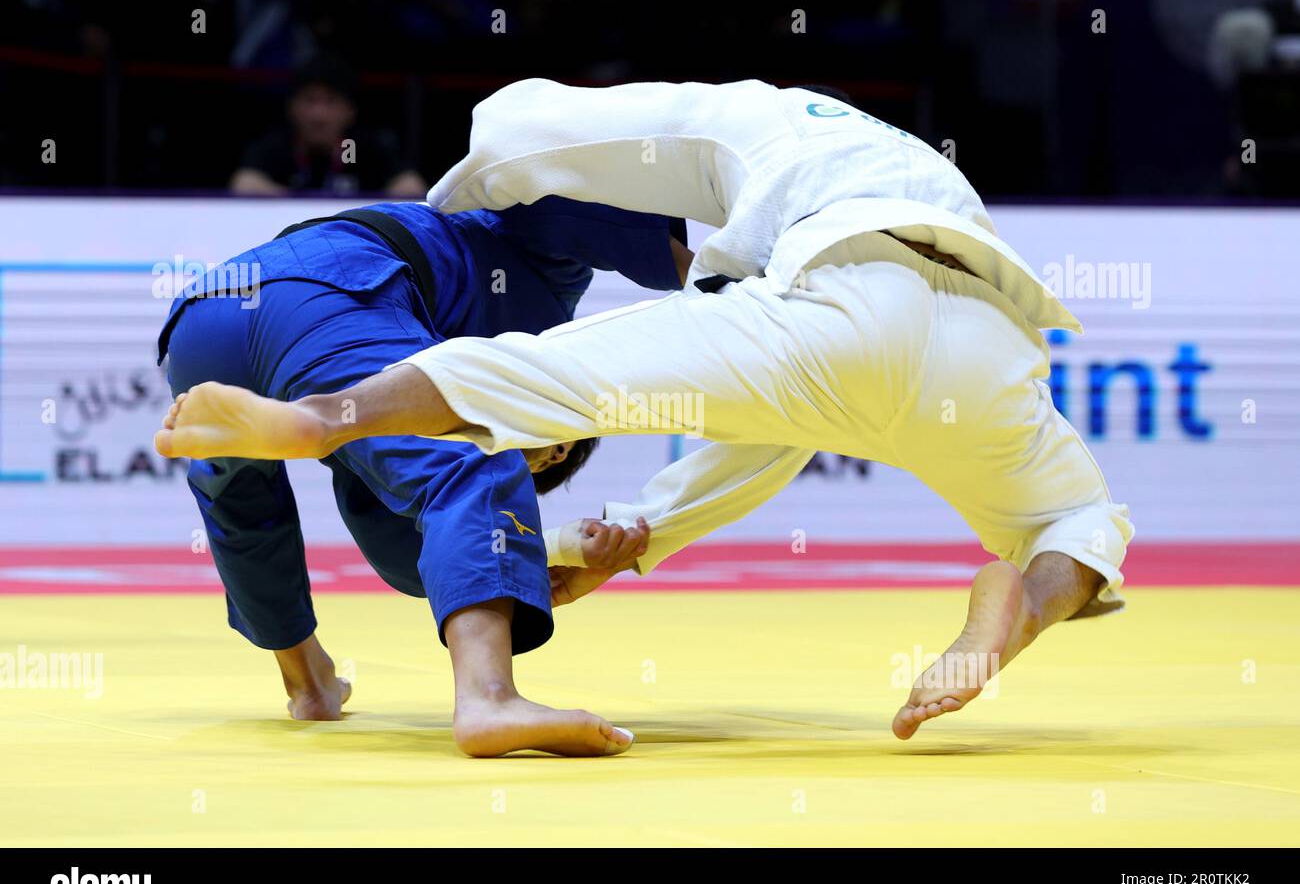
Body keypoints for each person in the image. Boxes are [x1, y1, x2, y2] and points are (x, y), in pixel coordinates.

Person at [155, 79, 1135, 741]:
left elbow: (519, 123)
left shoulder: (744, 116)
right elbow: (754, 439)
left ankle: (326, 437)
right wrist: (641, 535)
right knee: (1076, 519)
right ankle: (1020, 616)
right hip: (992, 335)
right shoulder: (870, 157)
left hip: (836, 291)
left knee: (516, 390)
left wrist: (472, 179)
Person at [155, 192, 692, 756]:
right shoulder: (548, 297)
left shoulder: (487, 308)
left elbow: (409, 552)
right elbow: (575, 198)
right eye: (545, 455)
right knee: (477, 459)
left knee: (245, 501)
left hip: (203, 320)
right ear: (559, 443)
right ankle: (490, 700)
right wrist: (704, 274)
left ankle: (310, 683)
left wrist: (543, 560)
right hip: (332, 293)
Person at [230, 55, 427, 197]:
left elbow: (412, 188)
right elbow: (244, 183)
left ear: (350, 111)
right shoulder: (277, 144)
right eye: (310, 101)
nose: (319, 115)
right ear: (291, 108)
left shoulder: (367, 147)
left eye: (330, 102)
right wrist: (299, 203)